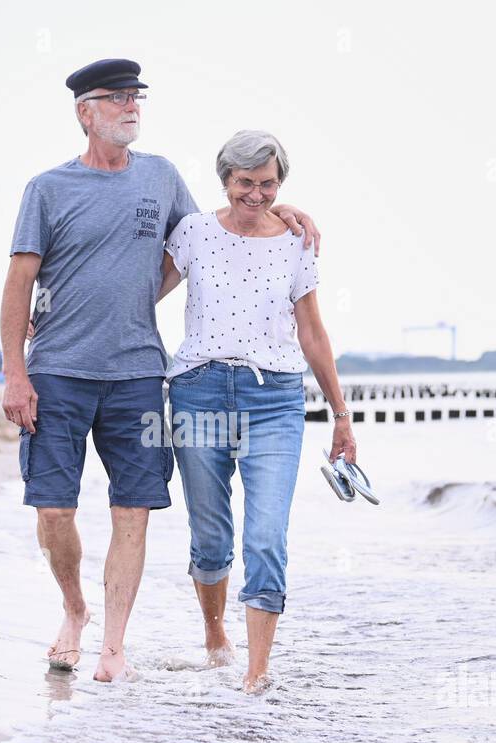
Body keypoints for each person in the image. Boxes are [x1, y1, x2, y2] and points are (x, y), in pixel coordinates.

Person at [1, 58, 319, 682]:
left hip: (141, 374)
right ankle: (74, 609)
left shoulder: (163, 177)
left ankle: (114, 644)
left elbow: (220, 233)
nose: (132, 107)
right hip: (58, 371)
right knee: (54, 510)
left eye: (137, 97)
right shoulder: (47, 188)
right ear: (84, 111)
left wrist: (286, 210)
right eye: (117, 98)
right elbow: (18, 282)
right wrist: (15, 369)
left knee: (133, 511)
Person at [160, 130, 350, 693]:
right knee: (211, 534)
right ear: (225, 180)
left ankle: (257, 669)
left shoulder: (296, 242)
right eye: (245, 183)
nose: (256, 195)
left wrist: (341, 414)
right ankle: (215, 633)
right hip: (197, 390)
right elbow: (140, 291)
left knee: (266, 535)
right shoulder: (193, 232)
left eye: (268, 185)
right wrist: (51, 318)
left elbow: (312, 332)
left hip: (275, 399)